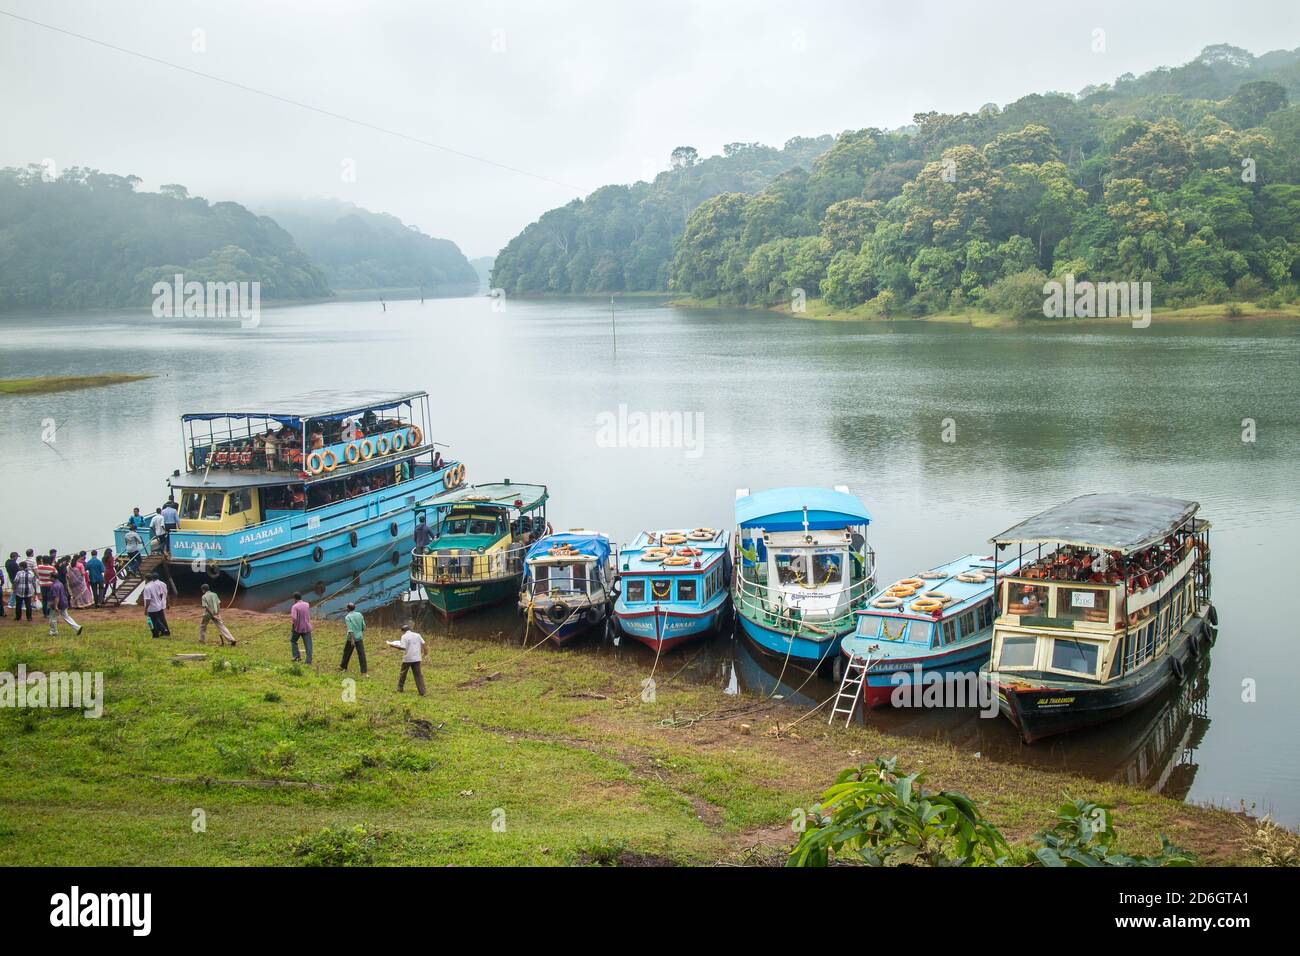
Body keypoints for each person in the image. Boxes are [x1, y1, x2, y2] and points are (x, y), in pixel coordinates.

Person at [386, 621, 427, 695]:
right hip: (417, 658)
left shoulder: (404, 636)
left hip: (408, 658)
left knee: (403, 673)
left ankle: (400, 688)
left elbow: (403, 648)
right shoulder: (417, 635)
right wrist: (425, 653)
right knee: (418, 674)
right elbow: (424, 644)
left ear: (403, 631)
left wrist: (392, 645)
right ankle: (422, 691)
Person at [341, 602, 367, 673]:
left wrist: (352, 640)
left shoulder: (348, 617)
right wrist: (359, 633)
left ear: (348, 609)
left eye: (347, 607)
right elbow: (364, 626)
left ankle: (343, 667)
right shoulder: (359, 614)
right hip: (359, 638)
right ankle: (364, 671)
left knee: (346, 653)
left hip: (351, 639)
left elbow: (350, 630)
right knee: (361, 654)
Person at [289, 592, 313, 664]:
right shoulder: (307, 604)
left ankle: (296, 657)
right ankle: (308, 661)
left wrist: (295, 626)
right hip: (307, 627)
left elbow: (294, 618)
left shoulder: (294, 607)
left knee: (293, 641)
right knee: (308, 644)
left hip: (298, 628)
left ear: (295, 599)